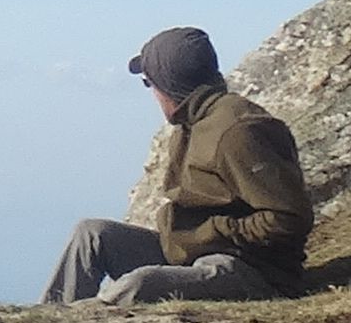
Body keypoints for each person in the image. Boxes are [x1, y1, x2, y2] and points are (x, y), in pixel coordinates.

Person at [38, 28, 311, 304]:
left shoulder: (239, 131)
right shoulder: (191, 123)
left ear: (169, 84)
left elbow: (289, 219)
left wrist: (212, 232)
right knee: (92, 234)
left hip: (248, 270)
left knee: (141, 284)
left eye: (149, 83)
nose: (153, 93)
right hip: (190, 254)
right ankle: (45, 321)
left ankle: (74, 322)